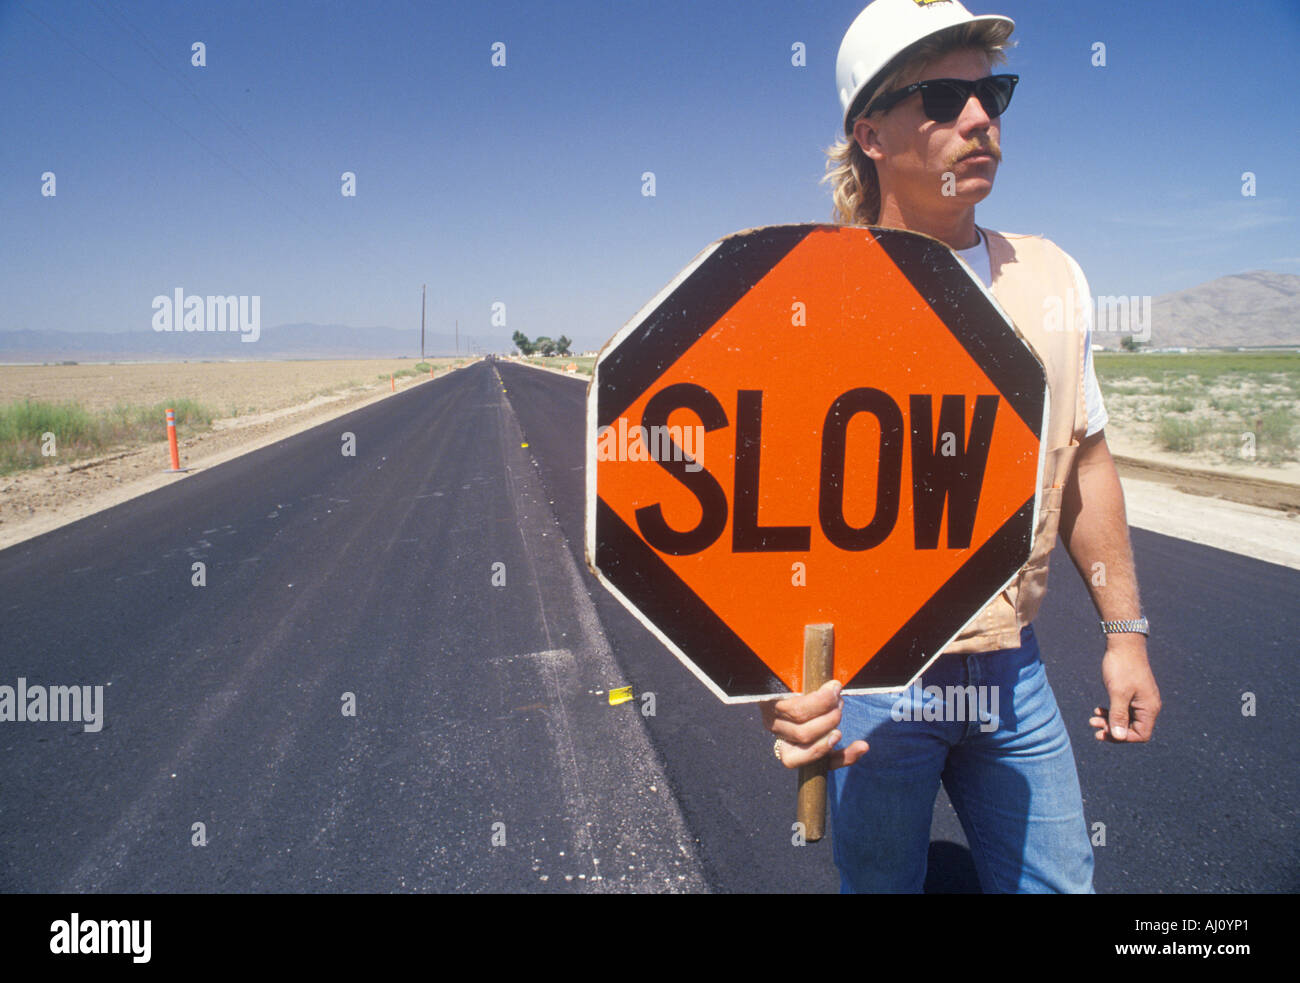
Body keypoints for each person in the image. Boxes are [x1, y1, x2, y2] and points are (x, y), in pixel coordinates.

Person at [760, 0, 1161, 893]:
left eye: (993, 95)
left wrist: (1125, 637)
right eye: (943, 100)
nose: (981, 121)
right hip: (870, 681)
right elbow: (763, 522)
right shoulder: (809, 298)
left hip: (1012, 670)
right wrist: (775, 682)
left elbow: (1086, 461)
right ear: (870, 131)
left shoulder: (1051, 278)